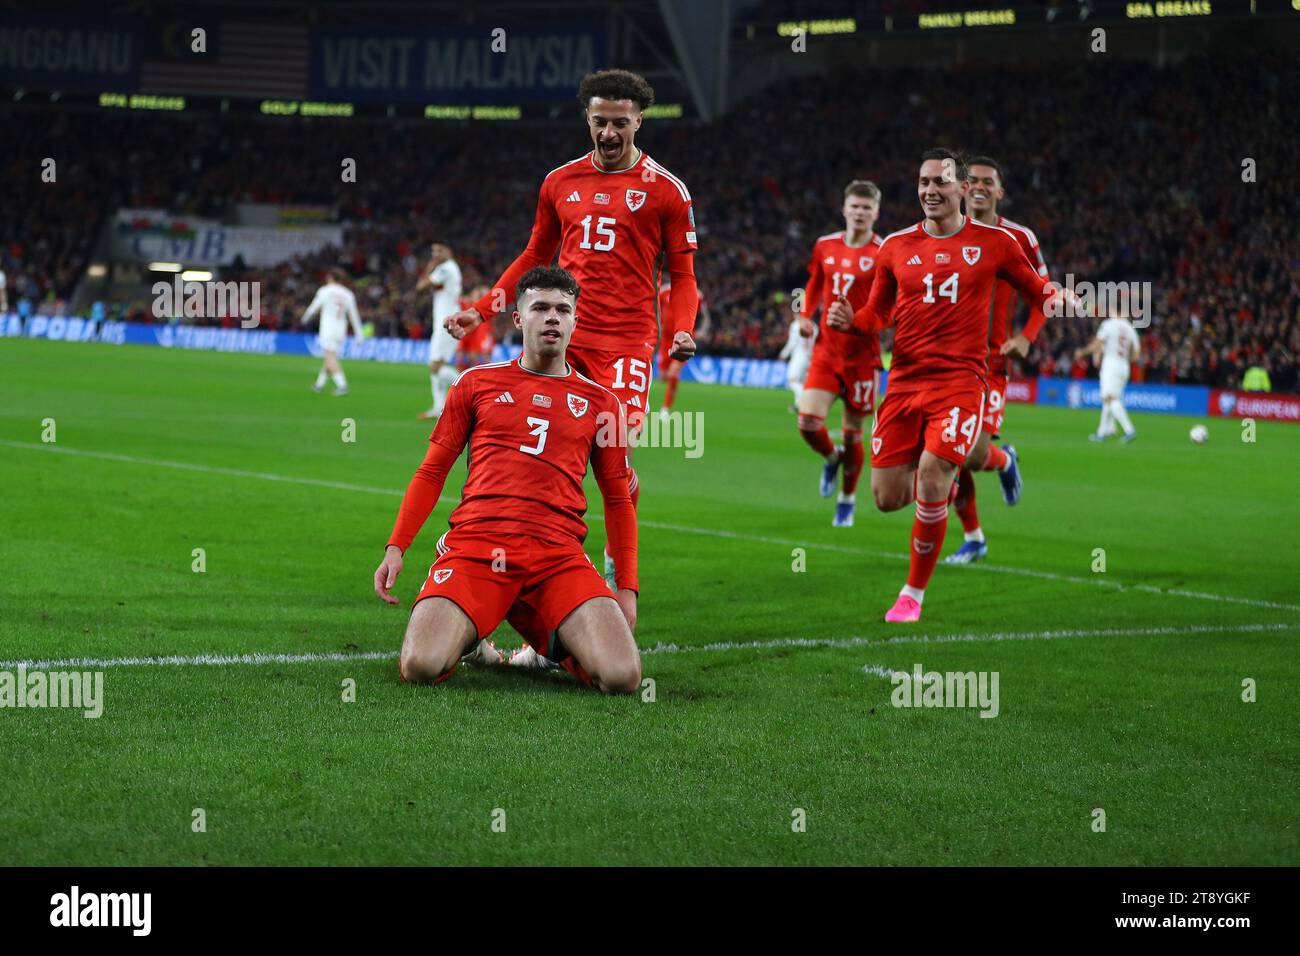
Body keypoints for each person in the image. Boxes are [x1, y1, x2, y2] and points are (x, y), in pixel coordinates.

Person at [443, 68, 699, 666]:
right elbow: (535, 255)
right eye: (601, 120)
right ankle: (469, 574)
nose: (610, 131)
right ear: (588, 118)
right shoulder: (559, 181)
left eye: (621, 121)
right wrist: (482, 310)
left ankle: (599, 591)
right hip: (561, 334)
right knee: (507, 450)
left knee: (615, 459)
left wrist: (682, 328)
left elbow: (683, 277)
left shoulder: (667, 191)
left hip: (627, 346)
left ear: (640, 121)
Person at [827, 148, 1074, 622]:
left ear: (962, 189)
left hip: (962, 382)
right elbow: (878, 313)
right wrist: (850, 320)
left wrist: (1057, 296)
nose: (929, 191)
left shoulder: (998, 243)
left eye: (940, 182)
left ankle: (912, 595)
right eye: (923, 182)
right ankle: (952, 491)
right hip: (902, 383)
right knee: (886, 498)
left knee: (935, 471)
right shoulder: (895, 246)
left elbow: (1035, 288)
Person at [373, 266, 641, 694]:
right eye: (540, 308)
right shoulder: (476, 383)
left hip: (557, 557)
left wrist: (627, 587)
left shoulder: (603, 403)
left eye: (562, 309)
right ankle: (469, 638)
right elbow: (432, 471)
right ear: (518, 319)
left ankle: (549, 643)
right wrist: (395, 547)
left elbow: (618, 499)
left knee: (623, 678)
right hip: (476, 548)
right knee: (420, 665)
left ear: (575, 320)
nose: (552, 317)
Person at [945, 156, 1052, 563]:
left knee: (971, 454)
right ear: (960, 187)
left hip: (990, 363)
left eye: (988, 181)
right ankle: (974, 538)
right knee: (948, 456)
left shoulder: (1018, 238)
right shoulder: (941, 232)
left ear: (999, 191)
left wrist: (1026, 337)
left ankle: (1004, 459)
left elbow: (1044, 295)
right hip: (948, 365)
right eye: (971, 180)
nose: (978, 186)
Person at [797, 180, 885, 527]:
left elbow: (887, 305)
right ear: (844, 209)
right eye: (856, 206)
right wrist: (805, 316)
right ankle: (831, 457)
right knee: (807, 423)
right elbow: (814, 284)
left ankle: (846, 499)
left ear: (875, 213)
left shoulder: (884, 252)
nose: (860, 213)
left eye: (867, 208)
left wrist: (862, 323)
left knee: (853, 433)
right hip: (827, 353)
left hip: (862, 357)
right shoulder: (824, 246)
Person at [1076, 312, 1141, 442]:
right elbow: (1136, 355)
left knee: (1110, 398)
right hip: (1124, 367)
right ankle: (1102, 433)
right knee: (1108, 399)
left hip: (1111, 364)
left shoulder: (1108, 325)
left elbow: (1097, 344)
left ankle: (1129, 430)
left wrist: (1082, 352)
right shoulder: (1130, 327)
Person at [417, 242, 464, 419]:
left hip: (447, 323)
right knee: (435, 365)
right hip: (444, 322)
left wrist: (430, 266)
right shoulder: (449, 268)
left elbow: (420, 287)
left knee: (435, 367)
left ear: (449, 251)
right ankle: (438, 407)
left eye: (439, 250)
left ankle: (472, 390)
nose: (435, 254)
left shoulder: (445, 268)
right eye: (433, 251)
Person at [301, 268, 364, 395]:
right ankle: (319, 385)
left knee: (330, 357)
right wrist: (359, 334)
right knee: (331, 357)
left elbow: (314, 306)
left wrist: (305, 318)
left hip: (328, 328)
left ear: (330, 278)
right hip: (340, 329)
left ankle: (342, 386)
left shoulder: (325, 291)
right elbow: (354, 315)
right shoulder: (348, 294)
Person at [778, 315, 814, 412]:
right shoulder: (814, 326)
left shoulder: (796, 325)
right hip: (811, 357)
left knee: (792, 381)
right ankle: (799, 405)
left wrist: (783, 354)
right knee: (803, 382)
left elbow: (792, 343)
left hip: (799, 357)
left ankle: (805, 401)